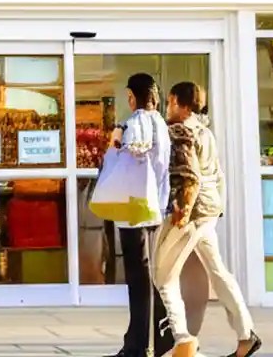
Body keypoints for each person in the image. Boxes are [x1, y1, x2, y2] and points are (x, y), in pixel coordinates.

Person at [154, 83, 261, 357]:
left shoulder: (181, 132)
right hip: (209, 212)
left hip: (190, 213)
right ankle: (246, 333)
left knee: (163, 276)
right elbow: (217, 173)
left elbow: (191, 177)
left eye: (170, 101)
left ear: (180, 102)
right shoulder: (206, 131)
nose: (168, 107)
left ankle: (183, 339)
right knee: (218, 272)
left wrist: (182, 213)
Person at [107, 73, 173, 357]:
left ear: (131, 96)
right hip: (154, 210)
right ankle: (150, 340)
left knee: (137, 279)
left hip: (134, 210)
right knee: (146, 276)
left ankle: (139, 345)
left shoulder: (135, 124)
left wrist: (115, 142)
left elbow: (127, 164)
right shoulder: (161, 123)